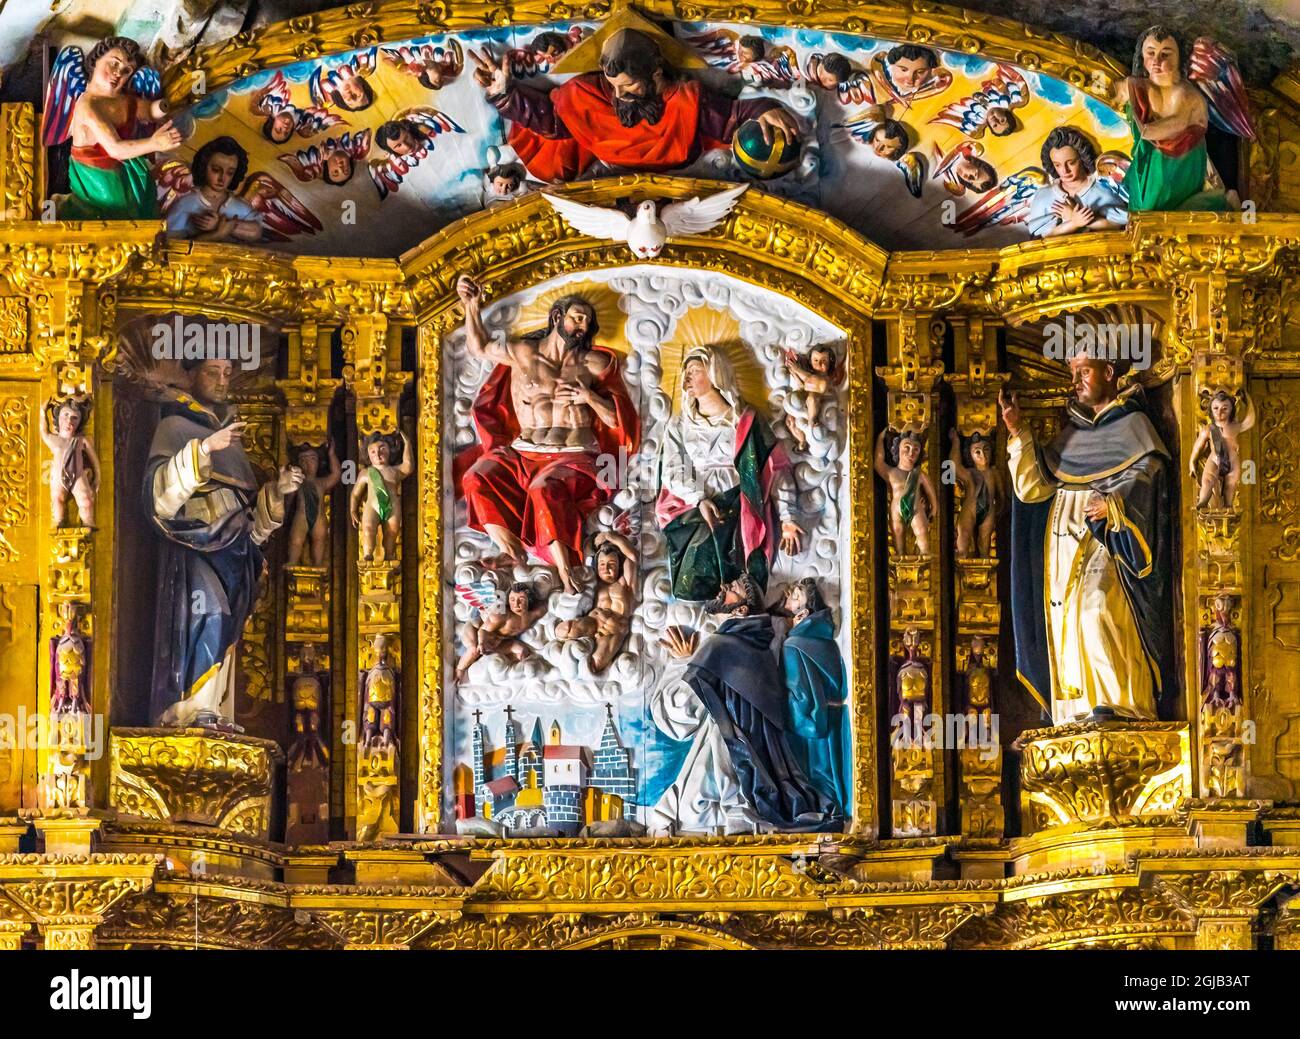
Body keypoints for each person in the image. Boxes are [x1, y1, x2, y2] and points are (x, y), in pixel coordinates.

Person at [1000, 356, 1174, 723]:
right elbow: (1033, 488)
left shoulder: (1134, 425)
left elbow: (1152, 475)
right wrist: (1019, 434)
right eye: (1073, 373)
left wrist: (1115, 505)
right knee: (1069, 623)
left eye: (1085, 372)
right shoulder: (1072, 435)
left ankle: (1121, 704)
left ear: (1109, 374)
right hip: (1064, 549)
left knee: (1097, 607)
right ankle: (1077, 711)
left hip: (1108, 541)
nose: (1076, 381)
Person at [456, 274, 640, 594]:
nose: (582, 326)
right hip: (523, 450)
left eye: (586, 322)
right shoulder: (523, 353)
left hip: (572, 456)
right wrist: (471, 306)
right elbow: (479, 346)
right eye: (577, 318)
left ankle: (567, 571)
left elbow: (615, 419)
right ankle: (512, 552)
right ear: (557, 316)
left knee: (545, 489)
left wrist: (588, 398)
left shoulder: (593, 364)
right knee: (476, 478)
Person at [146, 358, 303, 727]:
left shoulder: (231, 440)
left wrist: (277, 492)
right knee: (211, 614)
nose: (221, 380)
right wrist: (202, 450)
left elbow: (251, 524)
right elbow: (158, 498)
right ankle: (184, 708)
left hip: (233, 549)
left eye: (227, 373)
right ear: (190, 375)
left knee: (229, 622)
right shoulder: (173, 427)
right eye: (211, 372)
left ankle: (211, 707)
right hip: (193, 543)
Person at [470, 28, 799, 181]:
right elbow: (552, 123)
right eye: (613, 86)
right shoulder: (584, 94)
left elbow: (730, 118)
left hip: (683, 178)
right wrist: (506, 94)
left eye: (629, 86)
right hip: (607, 174)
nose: (619, 96)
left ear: (655, 73)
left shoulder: (686, 101)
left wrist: (763, 109)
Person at [649, 575, 838, 834]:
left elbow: (680, 714)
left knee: (694, 808)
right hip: (758, 752)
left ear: (740, 610)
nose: (723, 587)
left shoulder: (720, 645)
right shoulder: (765, 638)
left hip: (727, 746)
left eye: (732, 589)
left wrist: (682, 662)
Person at [656, 345, 803, 602]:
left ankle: (740, 606)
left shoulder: (745, 420)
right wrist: (699, 499)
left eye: (695, 370)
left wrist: (788, 518)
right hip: (694, 506)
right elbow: (672, 469)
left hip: (740, 506)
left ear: (715, 373)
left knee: (741, 579)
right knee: (694, 573)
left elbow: (775, 468)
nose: (687, 378)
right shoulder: (679, 425)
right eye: (685, 372)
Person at [58, 37, 182, 219]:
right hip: (97, 174)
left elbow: (149, 110)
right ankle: (66, 205)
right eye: (114, 64)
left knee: (146, 201)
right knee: (120, 209)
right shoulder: (87, 104)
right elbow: (114, 148)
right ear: (95, 61)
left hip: (127, 170)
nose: (118, 73)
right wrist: (154, 143)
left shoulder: (125, 101)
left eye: (126, 71)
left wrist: (163, 107)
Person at [1114, 26, 1226, 212]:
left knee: (1154, 210)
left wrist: (1137, 108)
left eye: (1165, 54)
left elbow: (1170, 127)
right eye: (1150, 53)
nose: (1157, 61)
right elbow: (1108, 94)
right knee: (1143, 211)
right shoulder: (1136, 86)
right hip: (1149, 161)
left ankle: (1223, 200)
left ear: (1179, 58)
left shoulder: (1186, 95)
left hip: (1179, 161)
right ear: (1142, 58)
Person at [780, 578, 851, 819]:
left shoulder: (793, 645)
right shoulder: (825, 642)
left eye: (795, 596)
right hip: (834, 717)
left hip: (811, 722)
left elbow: (800, 693)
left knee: (818, 776)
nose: (789, 596)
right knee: (833, 771)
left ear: (804, 613)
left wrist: (790, 723)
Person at [1027, 126, 1128, 238]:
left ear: (1082, 158)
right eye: (1057, 165)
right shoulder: (1043, 196)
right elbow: (1040, 237)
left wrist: (1074, 217)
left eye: (1071, 163)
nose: (1065, 171)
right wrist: (1074, 222)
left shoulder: (1103, 189)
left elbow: (1121, 225)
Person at [164, 136, 265, 242]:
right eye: (216, 170)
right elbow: (170, 242)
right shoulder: (186, 203)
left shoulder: (240, 206)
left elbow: (256, 231)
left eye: (230, 173)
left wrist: (218, 224)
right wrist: (218, 233)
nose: (222, 178)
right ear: (203, 167)